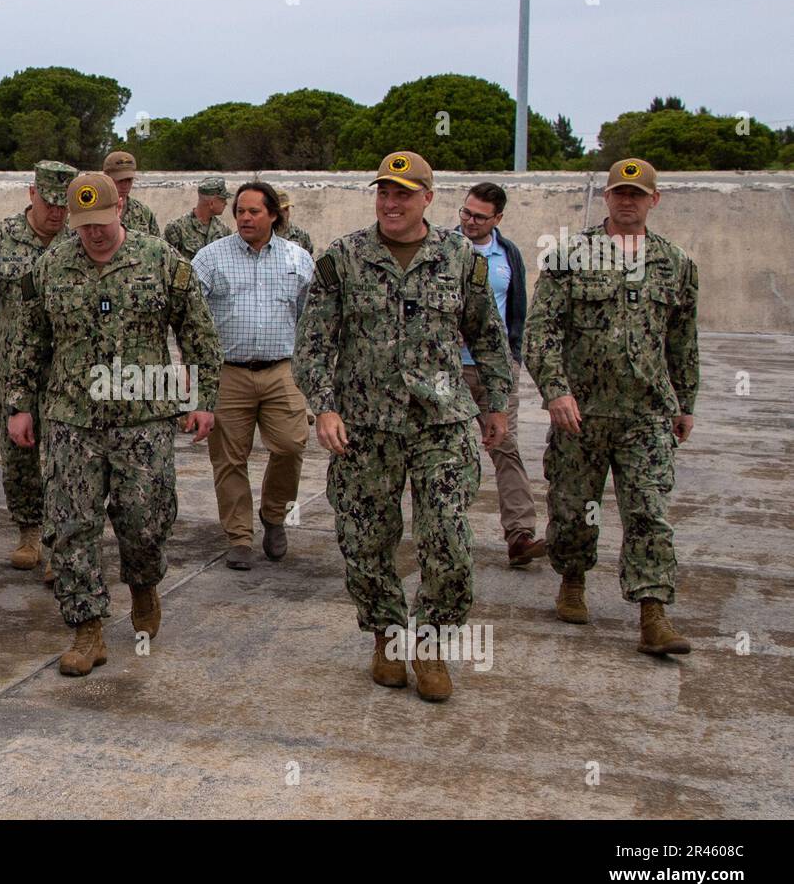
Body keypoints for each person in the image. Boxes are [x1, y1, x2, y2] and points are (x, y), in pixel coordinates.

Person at [293, 151, 511, 702]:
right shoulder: (343, 258)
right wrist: (325, 406)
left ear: (427, 199)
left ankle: (432, 644)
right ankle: (388, 636)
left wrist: (499, 405)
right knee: (365, 541)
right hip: (364, 426)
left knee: (449, 541)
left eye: (403, 194)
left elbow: (488, 337)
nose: (391, 203)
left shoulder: (461, 257)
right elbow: (314, 344)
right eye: (383, 193)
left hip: (442, 422)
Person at [4, 172, 222, 676]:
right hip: (71, 419)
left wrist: (201, 398)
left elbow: (199, 335)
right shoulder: (50, 267)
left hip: (142, 416)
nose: (93, 233)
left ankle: (143, 585)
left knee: (143, 523)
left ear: (120, 209)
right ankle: (87, 630)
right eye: (83, 226)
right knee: (71, 526)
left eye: (101, 222)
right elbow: (27, 342)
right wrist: (19, 404)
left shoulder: (162, 261)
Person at [525, 157, 698, 656]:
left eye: (637, 194)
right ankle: (572, 579)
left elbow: (683, 340)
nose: (628, 201)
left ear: (653, 200)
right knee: (575, 509)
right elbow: (542, 332)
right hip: (581, 413)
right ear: (606, 197)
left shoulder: (676, 263)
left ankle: (653, 614)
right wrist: (555, 390)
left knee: (649, 512)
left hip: (646, 414)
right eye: (619, 193)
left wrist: (685, 401)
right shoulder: (570, 255)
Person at [0, 160, 79, 573]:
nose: (57, 213)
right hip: (13, 371)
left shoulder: (80, 240)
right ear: (31, 193)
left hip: (67, 375)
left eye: (64, 205)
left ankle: (62, 545)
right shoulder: (1, 239)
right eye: (49, 202)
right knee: (20, 457)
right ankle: (29, 530)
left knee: (69, 460)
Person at [192, 181, 312, 570]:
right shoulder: (210, 259)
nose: (244, 217)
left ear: (273, 214)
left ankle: (274, 516)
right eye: (240, 211)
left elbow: (313, 318)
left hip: (281, 372)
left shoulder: (298, 259)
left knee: (291, 445)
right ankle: (239, 537)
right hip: (229, 373)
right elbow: (191, 318)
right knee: (229, 458)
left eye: (254, 211)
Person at [456, 182, 545, 566]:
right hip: (450, 367)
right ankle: (448, 531)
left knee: (506, 448)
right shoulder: (443, 248)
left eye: (479, 216)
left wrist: (513, 358)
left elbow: (516, 311)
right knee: (451, 454)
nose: (470, 221)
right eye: (466, 212)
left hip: (496, 369)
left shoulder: (508, 255)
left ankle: (520, 535)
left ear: (498, 219)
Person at [164, 177, 233, 260]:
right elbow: (165, 262)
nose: (225, 203)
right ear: (211, 203)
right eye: (222, 200)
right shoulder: (177, 228)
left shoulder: (224, 231)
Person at [102, 150, 160, 236]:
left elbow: (158, 245)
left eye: (129, 180)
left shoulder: (143, 213)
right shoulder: (93, 210)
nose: (125, 185)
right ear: (106, 178)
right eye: (120, 180)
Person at [276, 188, 314, 255]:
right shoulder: (265, 235)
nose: (285, 214)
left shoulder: (300, 234)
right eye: (280, 211)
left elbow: (309, 259)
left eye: (286, 209)